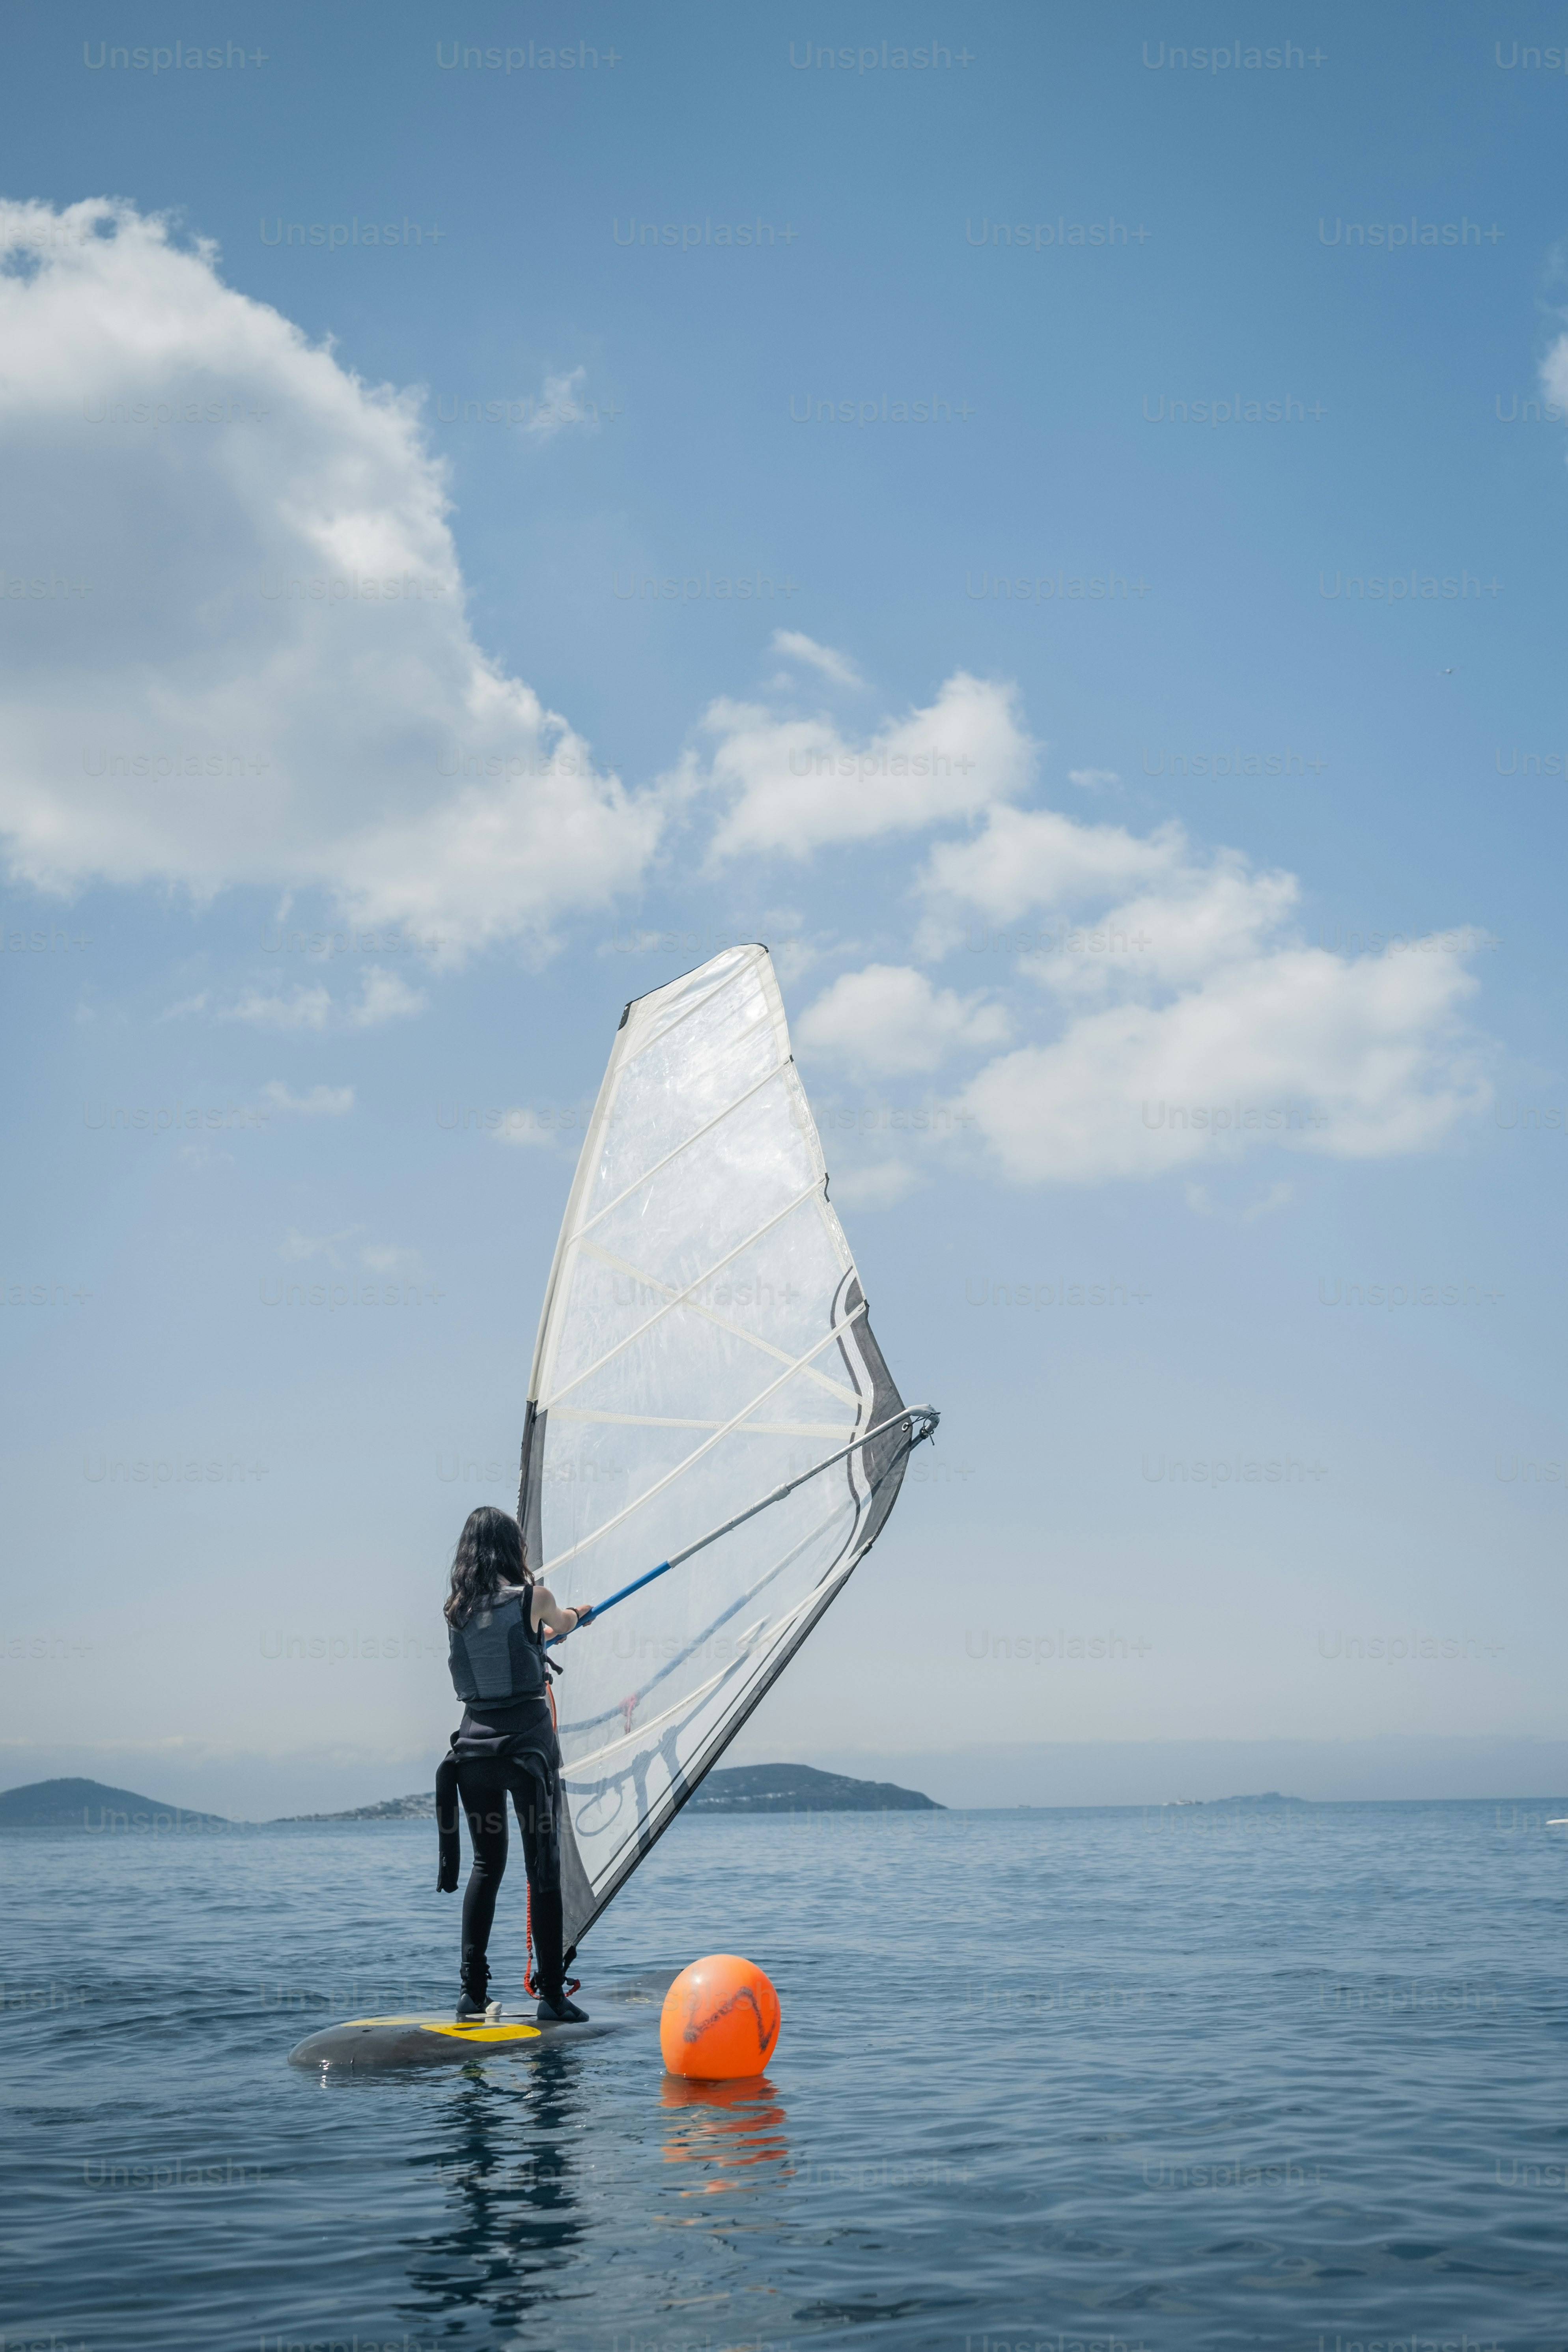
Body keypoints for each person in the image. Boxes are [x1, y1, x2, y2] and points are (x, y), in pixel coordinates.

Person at [435, 1505, 592, 2023]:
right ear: (511, 1549)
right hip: (526, 1755)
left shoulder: (455, 1610)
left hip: (473, 1755)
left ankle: (472, 1993)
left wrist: (536, 1641)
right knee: (542, 1867)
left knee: (487, 1866)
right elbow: (562, 1621)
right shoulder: (535, 1598)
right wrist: (578, 1616)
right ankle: (551, 1996)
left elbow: (498, 1651)